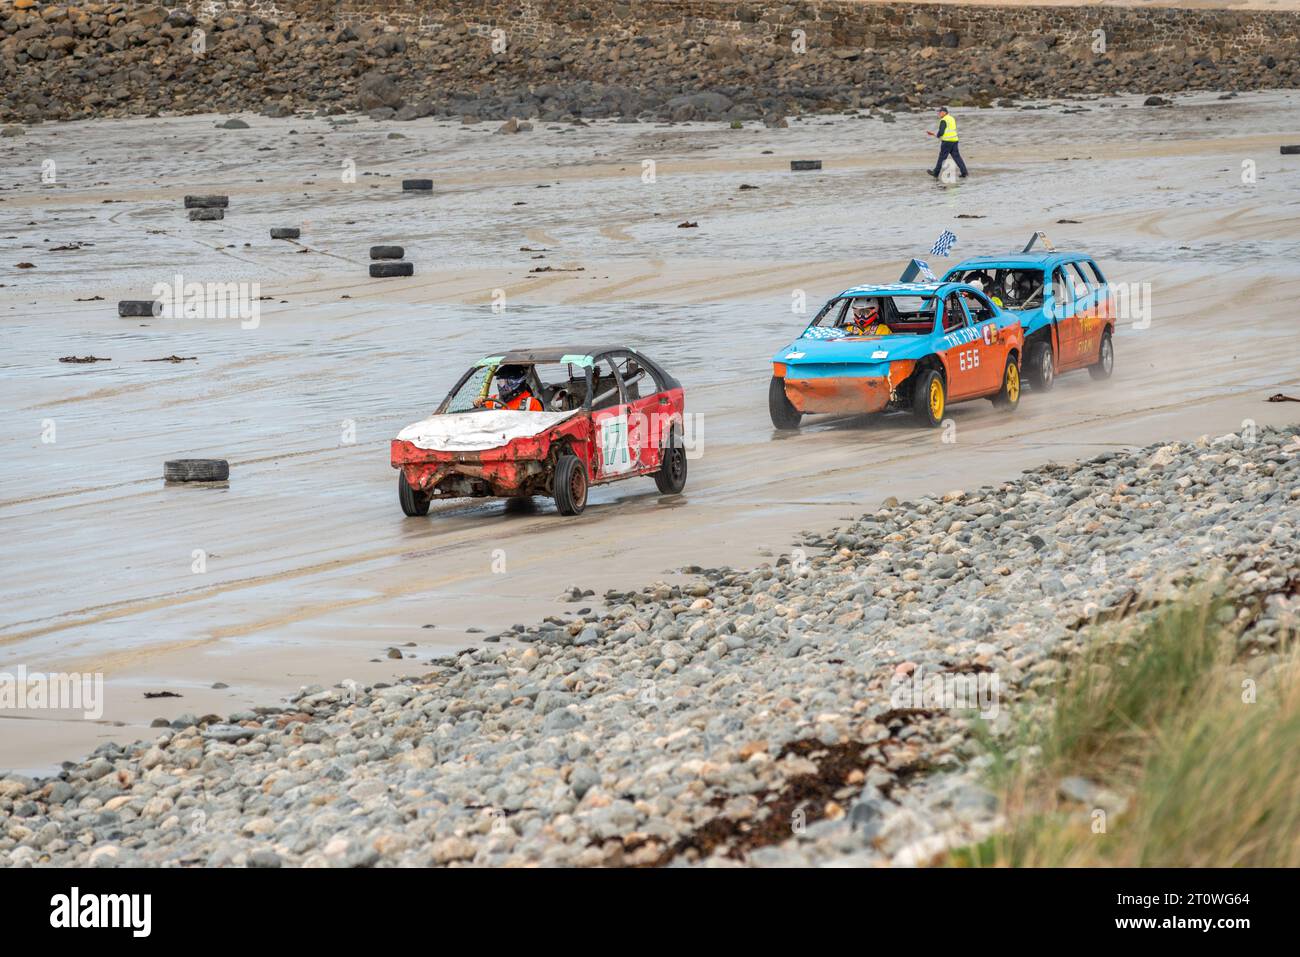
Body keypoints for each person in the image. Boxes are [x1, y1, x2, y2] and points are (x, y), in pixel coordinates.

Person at [476, 364, 543, 411]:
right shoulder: (492, 400)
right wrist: (477, 403)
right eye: (501, 382)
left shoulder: (532, 403)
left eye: (508, 382)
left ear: (519, 382)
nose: (504, 386)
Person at [926, 107, 968, 180]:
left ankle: (935, 173)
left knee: (942, 157)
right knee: (957, 157)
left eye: (940, 112)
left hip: (947, 142)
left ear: (945, 112)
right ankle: (964, 172)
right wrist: (935, 134)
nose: (939, 113)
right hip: (954, 140)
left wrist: (935, 135)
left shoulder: (943, 120)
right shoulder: (951, 118)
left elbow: (941, 132)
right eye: (938, 112)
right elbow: (949, 130)